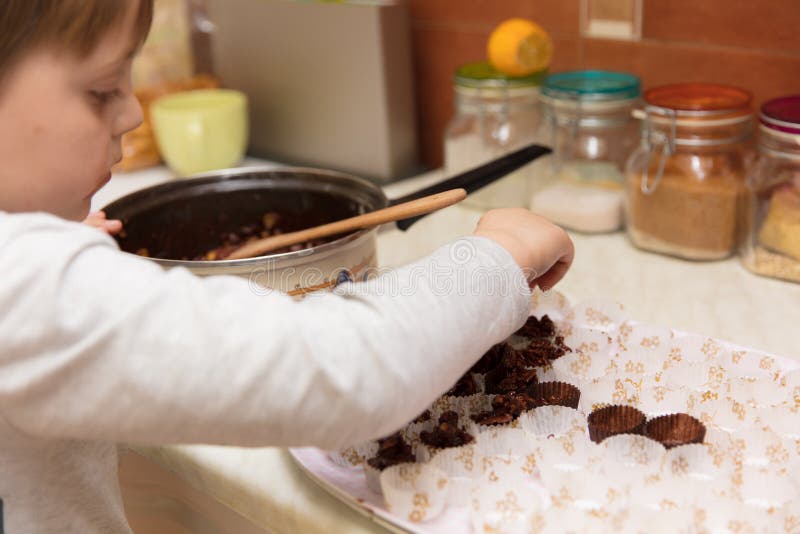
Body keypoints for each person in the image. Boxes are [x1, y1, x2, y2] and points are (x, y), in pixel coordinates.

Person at [0, 1, 574, 532]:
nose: (131, 111)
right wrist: (499, 253)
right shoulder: (24, 288)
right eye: (102, 90)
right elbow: (348, 369)